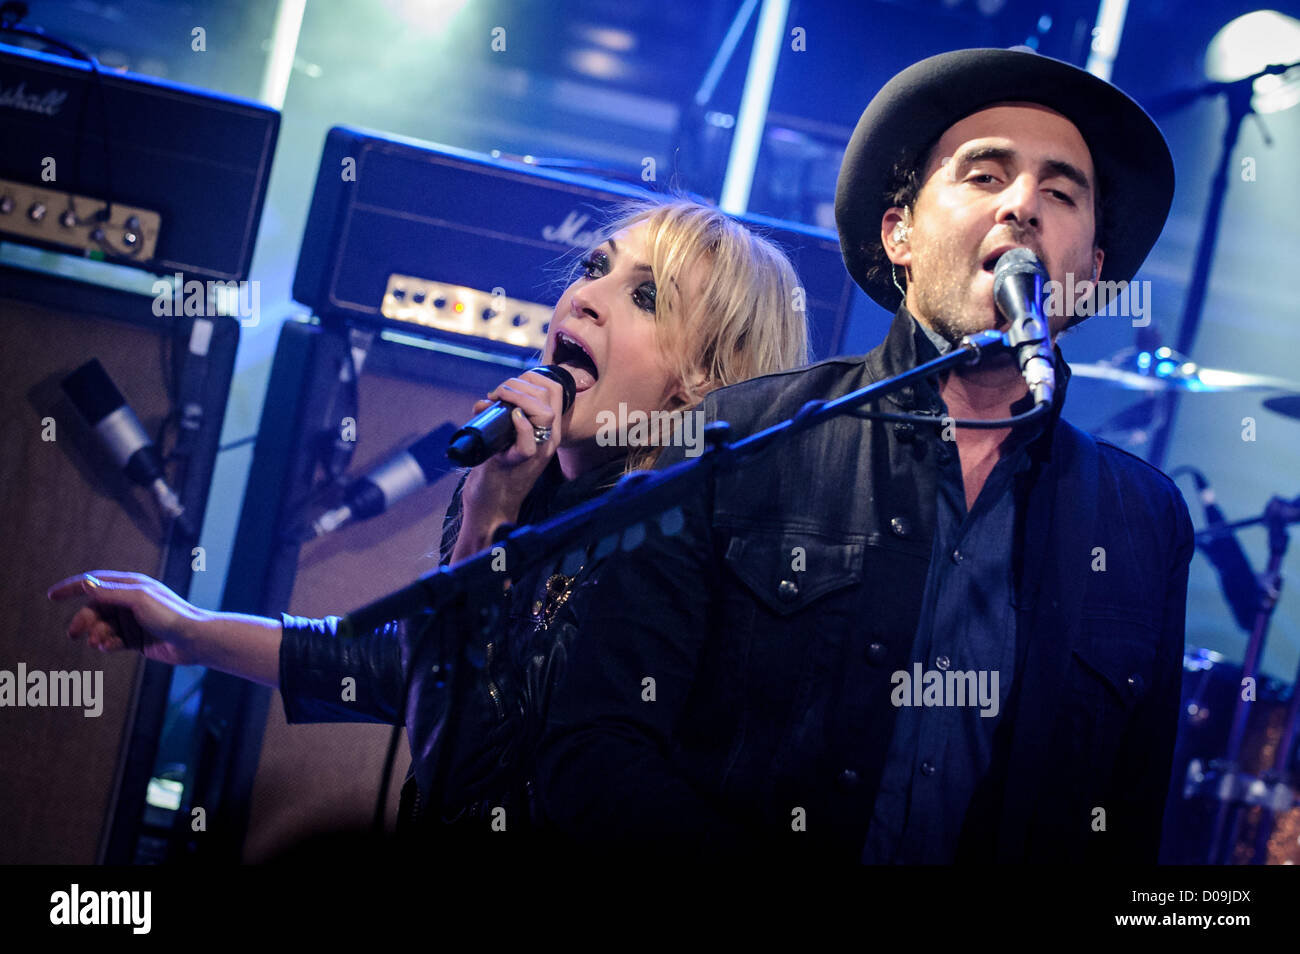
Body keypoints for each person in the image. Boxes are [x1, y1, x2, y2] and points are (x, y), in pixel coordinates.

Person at [536, 47, 1194, 864]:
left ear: (1091, 279)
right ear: (901, 233)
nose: (1024, 204)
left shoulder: (1144, 520)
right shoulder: (735, 439)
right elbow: (592, 750)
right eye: (986, 176)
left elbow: (1128, 828)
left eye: (1060, 192)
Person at [46, 197, 810, 848]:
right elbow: (416, 673)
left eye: (646, 297)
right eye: (593, 268)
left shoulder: (669, 555)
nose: (584, 297)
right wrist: (191, 630)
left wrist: (489, 515)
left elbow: (466, 762)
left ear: (701, 383)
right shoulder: (524, 486)